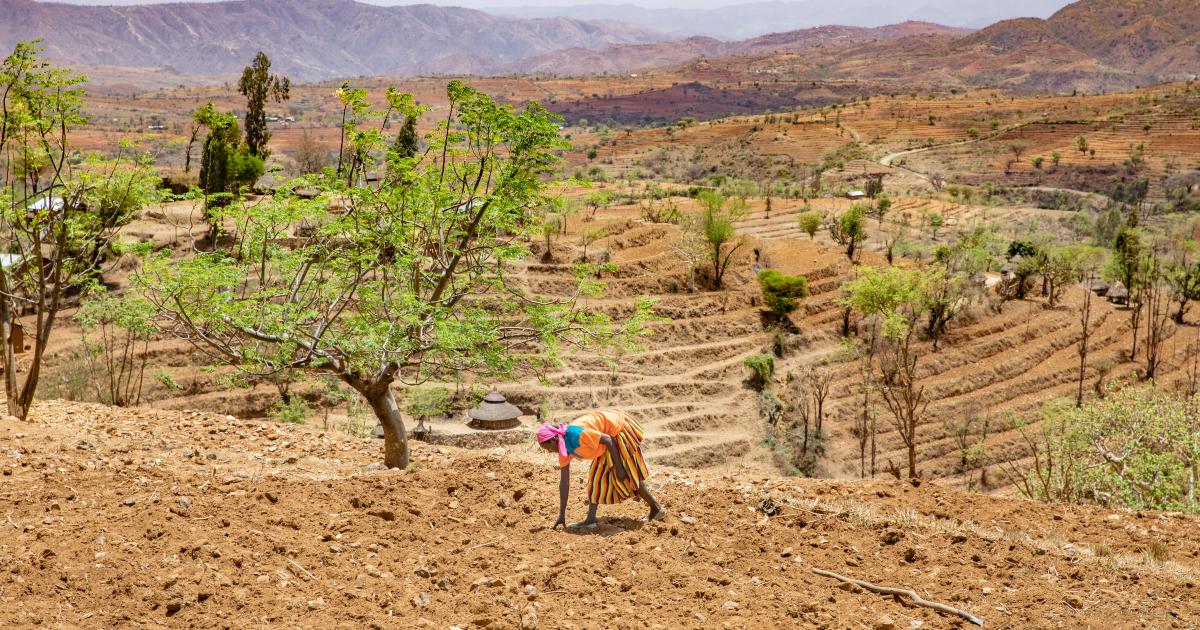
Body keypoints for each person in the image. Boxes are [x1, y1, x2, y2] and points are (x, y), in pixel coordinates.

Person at [536, 409, 666, 529]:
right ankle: (590, 520)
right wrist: (561, 515)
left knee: (630, 473)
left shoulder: (576, 434)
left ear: (553, 440)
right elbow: (564, 482)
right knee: (596, 477)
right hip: (605, 443)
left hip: (618, 430)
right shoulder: (563, 448)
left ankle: (656, 508)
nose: (549, 452)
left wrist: (619, 468)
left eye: (548, 448)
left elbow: (608, 440)